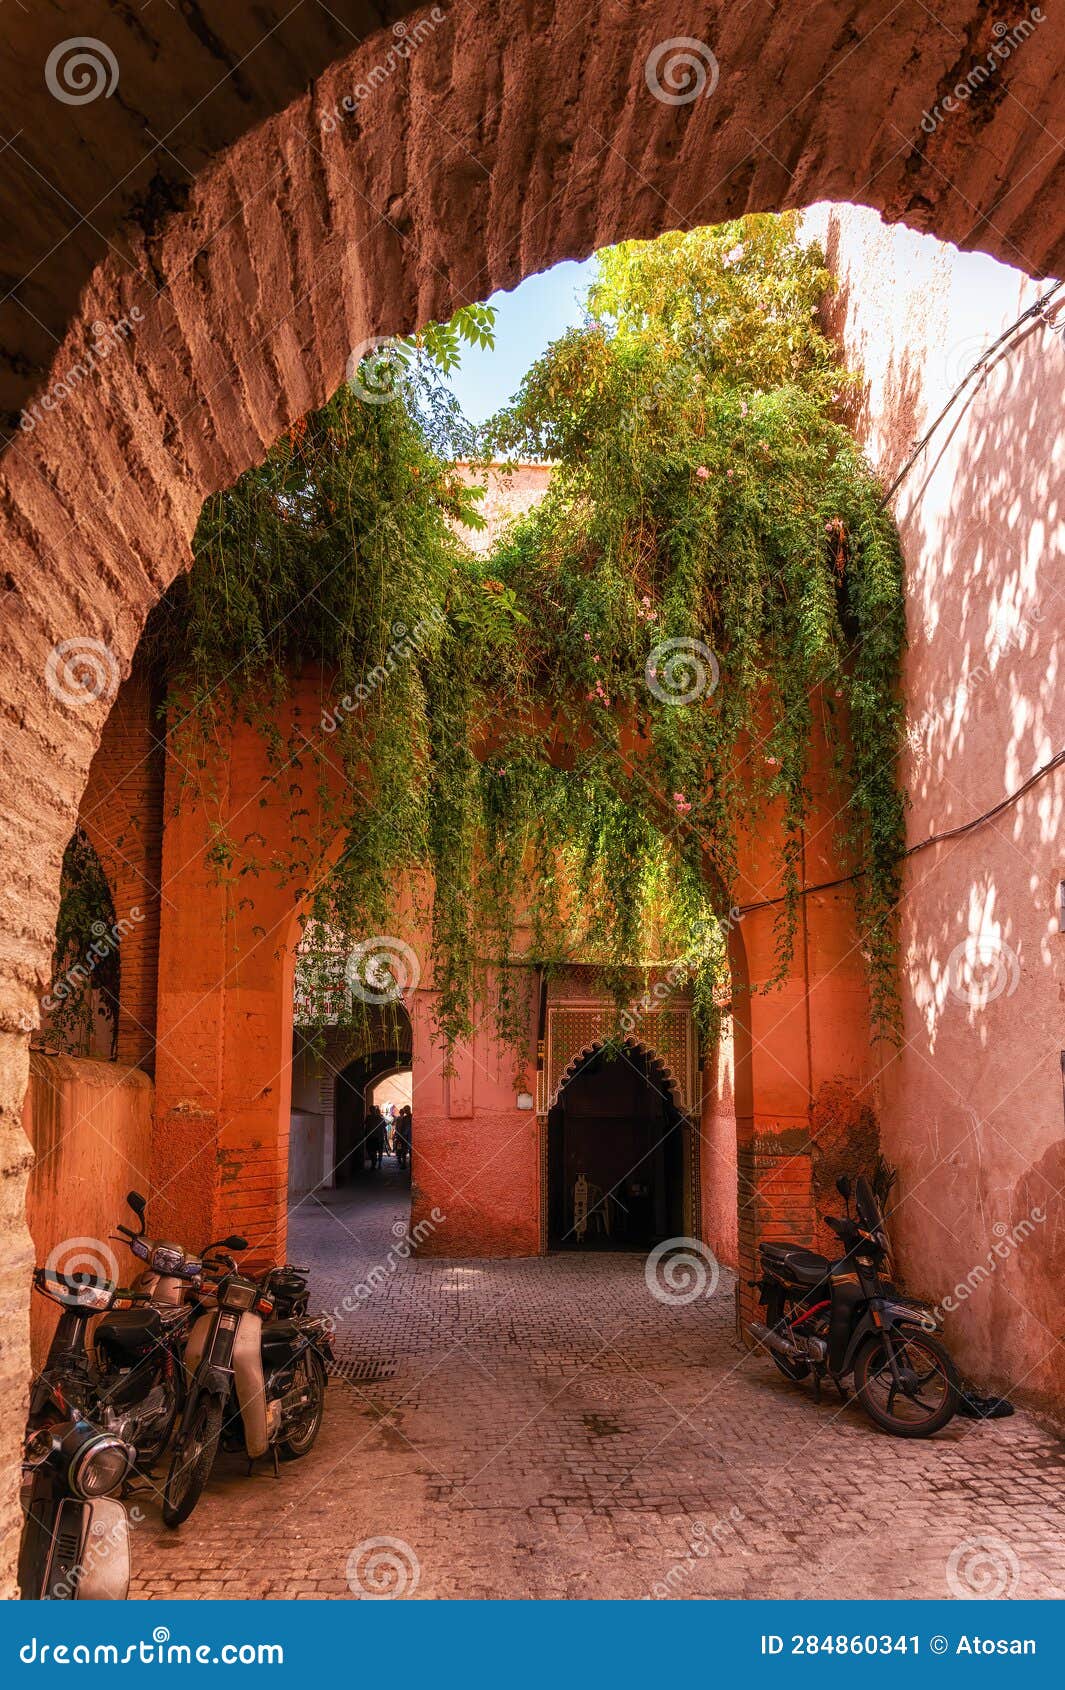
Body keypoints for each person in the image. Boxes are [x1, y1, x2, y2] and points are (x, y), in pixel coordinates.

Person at [364, 1104, 385, 1171]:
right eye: (371, 1110)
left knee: (377, 1151)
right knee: (371, 1151)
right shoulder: (368, 1118)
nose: (371, 1111)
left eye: (373, 1110)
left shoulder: (379, 1118)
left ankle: (376, 1164)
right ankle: (374, 1162)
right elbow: (365, 1126)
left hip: (377, 1137)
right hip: (371, 1137)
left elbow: (383, 1127)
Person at [395, 1105, 412, 1170]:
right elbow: (402, 1127)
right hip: (405, 1137)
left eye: (406, 1110)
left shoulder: (409, 1117)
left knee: (407, 1151)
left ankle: (408, 1165)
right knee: (404, 1151)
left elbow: (403, 1127)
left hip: (407, 1136)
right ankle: (404, 1164)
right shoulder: (405, 1118)